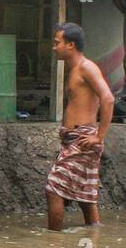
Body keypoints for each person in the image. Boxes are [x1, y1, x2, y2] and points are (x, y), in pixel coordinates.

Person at [46, 22, 114, 230]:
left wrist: (98, 137)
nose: (54, 47)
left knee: (54, 188)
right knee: (86, 195)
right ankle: (94, 235)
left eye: (57, 43)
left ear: (71, 45)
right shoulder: (75, 68)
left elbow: (108, 99)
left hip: (83, 139)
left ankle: (53, 241)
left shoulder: (86, 67)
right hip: (75, 138)